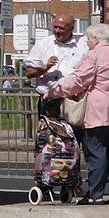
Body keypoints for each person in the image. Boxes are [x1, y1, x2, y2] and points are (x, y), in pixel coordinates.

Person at [43, 22, 109, 204]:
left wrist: (53, 93)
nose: (86, 43)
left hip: (98, 109)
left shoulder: (93, 56)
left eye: (88, 40)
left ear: (96, 39)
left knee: (96, 151)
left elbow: (78, 82)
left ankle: (95, 195)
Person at [24, 14, 85, 117]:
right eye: (55, 27)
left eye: (61, 28)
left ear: (72, 28)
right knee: (50, 133)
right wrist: (45, 68)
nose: (57, 30)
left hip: (74, 101)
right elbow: (29, 73)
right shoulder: (43, 44)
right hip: (50, 101)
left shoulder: (82, 46)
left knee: (75, 132)